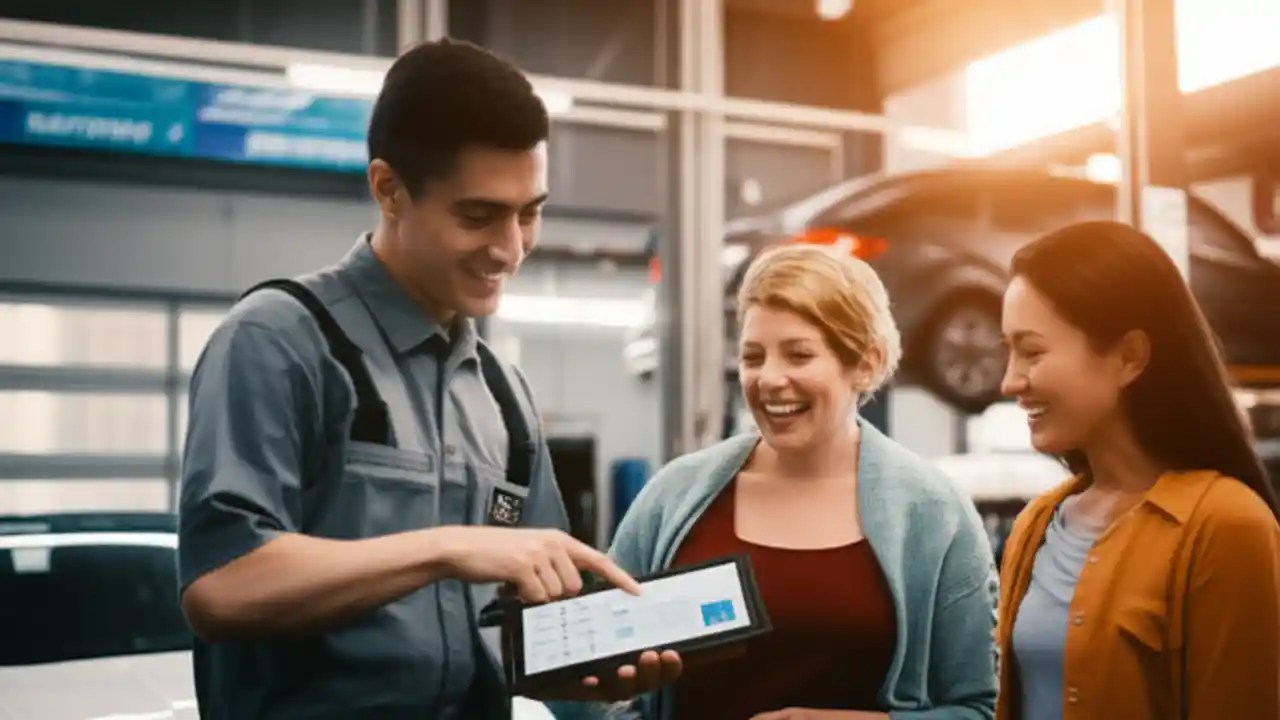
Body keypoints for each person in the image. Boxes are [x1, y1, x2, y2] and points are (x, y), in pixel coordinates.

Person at [177, 39, 680, 720]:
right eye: (477, 216)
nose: (509, 248)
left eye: (529, 212)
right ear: (388, 189)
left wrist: (579, 674)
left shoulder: (503, 395)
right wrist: (448, 548)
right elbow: (220, 586)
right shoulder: (279, 341)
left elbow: (517, 634)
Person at [553, 244, 999, 720]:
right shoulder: (676, 496)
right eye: (753, 357)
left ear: (866, 363)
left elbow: (977, 709)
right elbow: (582, 684)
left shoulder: (933, 512)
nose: (769, 379)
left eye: (799, 355)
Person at [994, 221, 1280, 720]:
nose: (1010, 380)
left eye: (1032, 351)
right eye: (1009, 351)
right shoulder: (1037, 523)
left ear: (1129, 357)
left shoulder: (1227, 525)